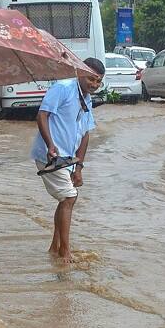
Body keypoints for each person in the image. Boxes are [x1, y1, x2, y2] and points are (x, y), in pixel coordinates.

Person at [31, 57, 105, 262]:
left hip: (68, 159)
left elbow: (85, 134)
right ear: (80, 73)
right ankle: (64, 253)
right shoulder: (63, 88)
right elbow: (42, 115)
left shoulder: (87, 99)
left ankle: (55, 248)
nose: (94, 85)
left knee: (66, 198)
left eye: (98, 82)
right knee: (69, 198)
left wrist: (79, 166)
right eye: (91, 79)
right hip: (50, 155)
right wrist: (50, 145)